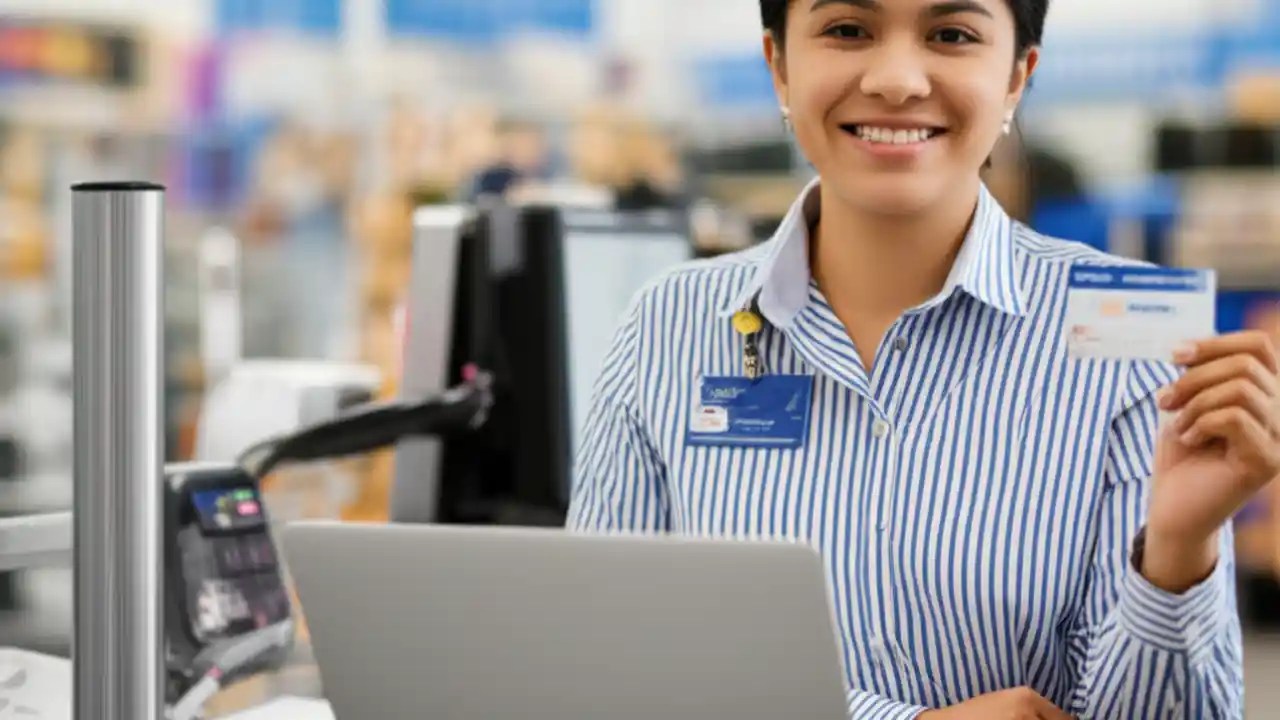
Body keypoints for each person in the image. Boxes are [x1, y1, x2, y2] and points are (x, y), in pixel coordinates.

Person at [568, 1, 1279, 717]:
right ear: (780, 65)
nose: (898, 79)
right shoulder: (666, 327)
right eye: (848, 30)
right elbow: (597, 661)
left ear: (1016, 78)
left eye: (952, 35)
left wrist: (1178, 550)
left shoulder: (1135, 339)